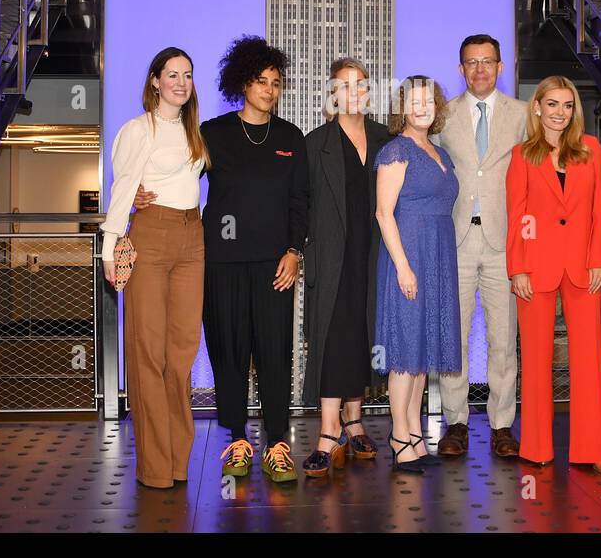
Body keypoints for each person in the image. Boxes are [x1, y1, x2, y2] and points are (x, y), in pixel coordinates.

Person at [137, 35, 307, 484]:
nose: (269, 90)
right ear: (241, 84)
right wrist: (138, 191)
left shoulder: (291, 137)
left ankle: (277, 444)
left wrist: (294, 251)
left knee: (275, 356)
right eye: (259, 81)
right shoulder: (211, 133)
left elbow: (300, 202)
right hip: (220, 263)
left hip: (275, 268)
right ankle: (236, 440)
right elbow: (173, 171)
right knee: (228, 355)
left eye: (275, 82)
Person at [102, 47, 209, 489]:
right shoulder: (136, 129)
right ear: (154, 81)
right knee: (148, 353)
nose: (180, 82)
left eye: (187, 74)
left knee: (181, 354)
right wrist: (110, 248)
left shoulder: (193, 131)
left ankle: (178, 462)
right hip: (150, 235)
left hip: (192, 236)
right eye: (172, 75)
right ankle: (154, 467)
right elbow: (124, 189)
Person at [506, 75, 601, 472]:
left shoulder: (591, 150)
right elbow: (518, 217)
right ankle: (537, 448)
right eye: (552, 104)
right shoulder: (522, 155)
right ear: (537, 108)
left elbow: (597, 211)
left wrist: (600, 258)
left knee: (589, 360)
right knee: (535, 361)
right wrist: (517, 267)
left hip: (586, 267)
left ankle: (595, 450)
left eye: (567, 106)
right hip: (535, 268)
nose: (560, 113)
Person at [433, 35, 529, 459]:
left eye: (487, 61)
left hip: (504, 244)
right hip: (454, 242)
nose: (480, 70)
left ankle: (502, 425)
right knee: (454, 338)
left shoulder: (524, 115)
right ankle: (455, 422)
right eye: (471, 63)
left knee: (503, 340)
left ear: (500, 66)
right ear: (460, 69)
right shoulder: (442, 115)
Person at [300, 57, 391, 477]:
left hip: (373, 256)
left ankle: (354, 423)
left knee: (361, 336)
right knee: (332, 338)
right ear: (331, 93)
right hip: (331, 259)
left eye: (360, 84)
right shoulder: (313, 142)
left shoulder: (386, 139)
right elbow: (299, 206)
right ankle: (328, 431)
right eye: (344, 84)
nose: (353, 91)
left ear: (368, 93)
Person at [374, 77, 461, 474]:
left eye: (429, 100)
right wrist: (404, 266)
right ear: (403, 109)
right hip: (408, 254)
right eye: (415, 101)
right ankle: (398, 436)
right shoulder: (397, 149)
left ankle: (413, 433)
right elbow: (382, 213)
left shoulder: (438, 151)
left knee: (422, 353)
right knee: (405, 351)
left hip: (438, 254)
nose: (423, 106)